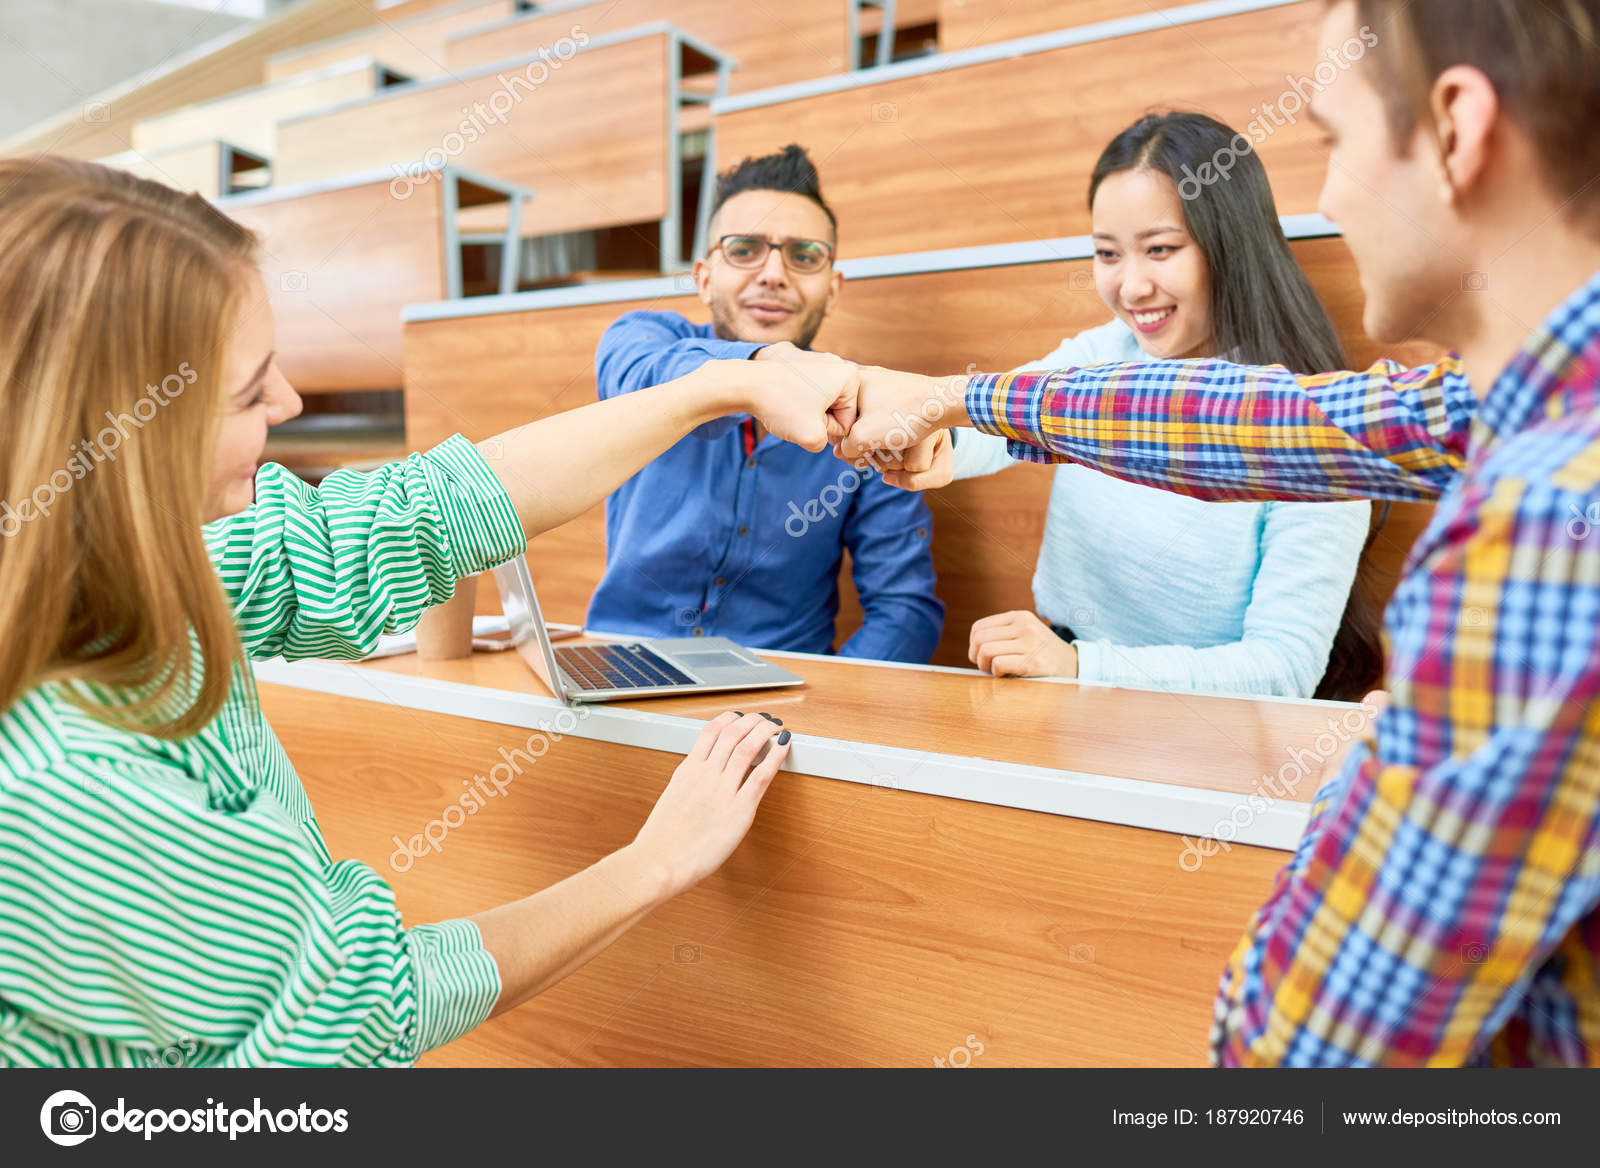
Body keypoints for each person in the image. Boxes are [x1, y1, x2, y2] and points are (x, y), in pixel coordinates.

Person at [841, 0, 1600, 1066]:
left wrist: (1372, 765)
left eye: (1334, 142)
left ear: (1456, 130)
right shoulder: (1509, 405)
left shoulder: (1541, 527)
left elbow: (1294, 1051)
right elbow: (1267, 424)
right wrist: (962, 401)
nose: (1326, 196)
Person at [0, 158, 856, 1067]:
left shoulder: (133, 563)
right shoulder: (67, 779)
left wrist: (716, 388)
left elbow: (414, 514)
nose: (290, 403)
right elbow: (353, 1021)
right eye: (252, 393)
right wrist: (652, 866)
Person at [950, 111, 1375, 698]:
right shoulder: (1102, 354)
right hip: (1060, 697)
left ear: (1230, 246)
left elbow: (1283, 670)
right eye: (1107, 254)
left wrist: (1081, 666)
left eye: (1160, 249)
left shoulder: (1310, 425)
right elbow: (984, 423)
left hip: (1196, 735)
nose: (1130, 288)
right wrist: (909, 428)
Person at [585, 145, 943, 663]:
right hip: (617, 667)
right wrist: (769, 366)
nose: (774, 273)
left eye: (803, 256)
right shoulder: (643, 340)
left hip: (780, 706)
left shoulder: (868, 415)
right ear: (704, 277)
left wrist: (817, 720)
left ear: (833, 288)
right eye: (745, 249)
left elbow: (905, 610)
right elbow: (638, 386)